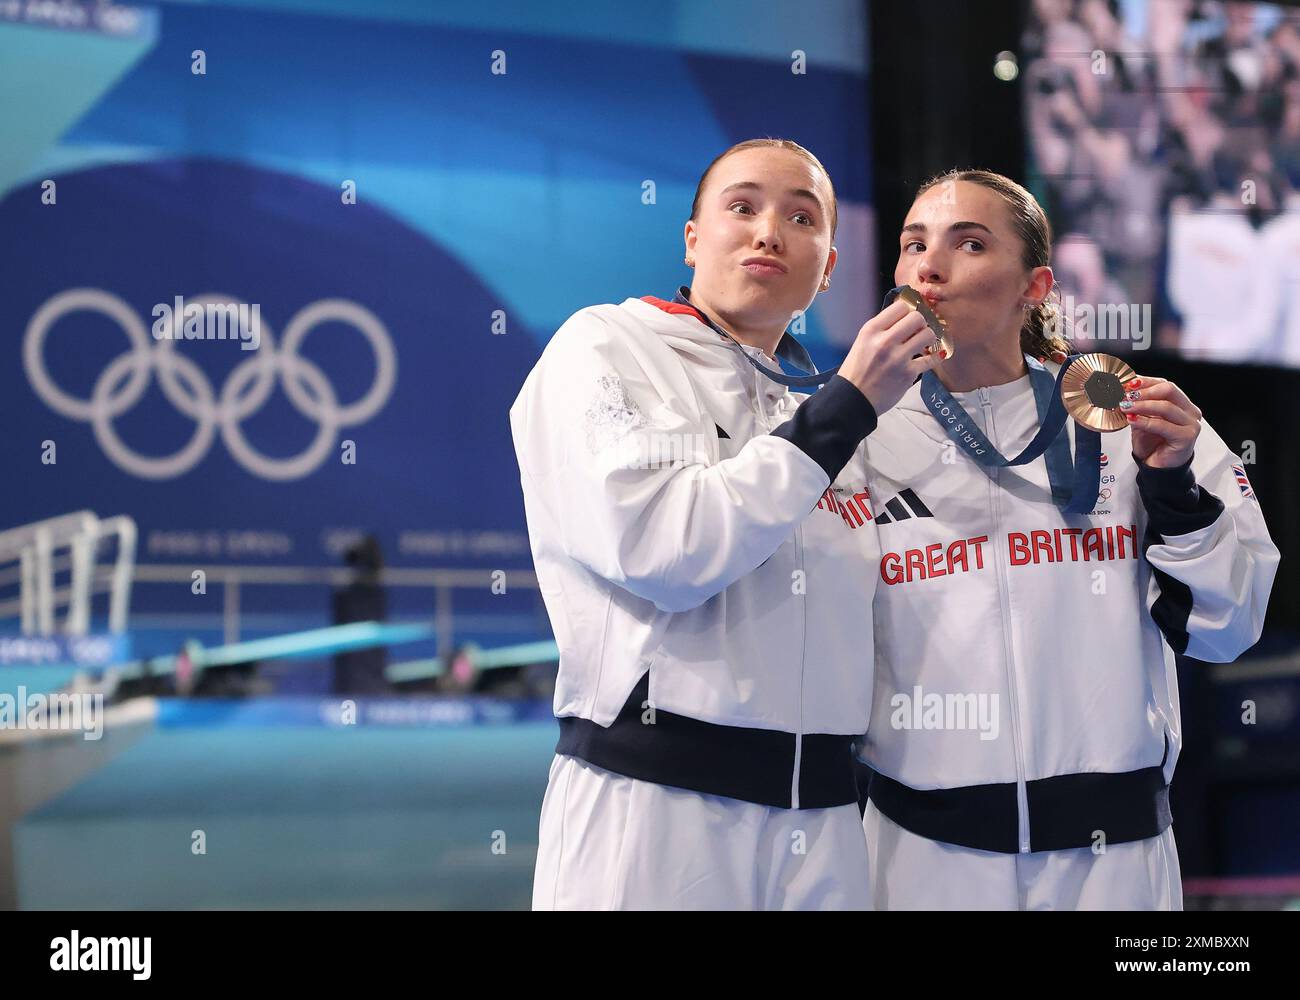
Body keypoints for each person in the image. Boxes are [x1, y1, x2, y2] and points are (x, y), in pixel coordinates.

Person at [509, 138, 940, 909]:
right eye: (742, 207)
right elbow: (665, 550)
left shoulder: (832, 409)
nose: (769, 231)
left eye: (801, 218)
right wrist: (840, 415)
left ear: (829, 265)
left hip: (825, 825)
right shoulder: (606, 344)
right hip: (655, 806)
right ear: (692, 237)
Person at [857, 169, 1280, 910]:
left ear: (1035, 285)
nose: (929, 264)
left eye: (970, 242)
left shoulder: (1133, 417)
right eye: (913, 243)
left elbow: (1230, 627)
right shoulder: (859, 436)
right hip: (921, 861)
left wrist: (1174, 488)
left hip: (1112, 863)